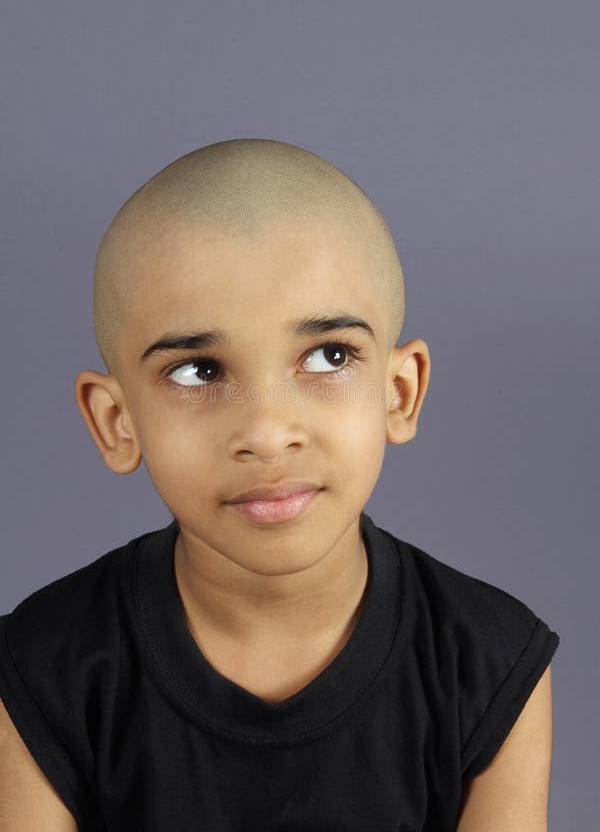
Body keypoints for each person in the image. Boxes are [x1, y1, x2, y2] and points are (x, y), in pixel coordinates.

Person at [0, 139, 559, 831]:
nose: (267, 432)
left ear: (400, 393)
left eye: (329, 357)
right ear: (117, 422)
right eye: (198, 371)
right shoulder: (38, 669)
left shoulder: (490, 660)